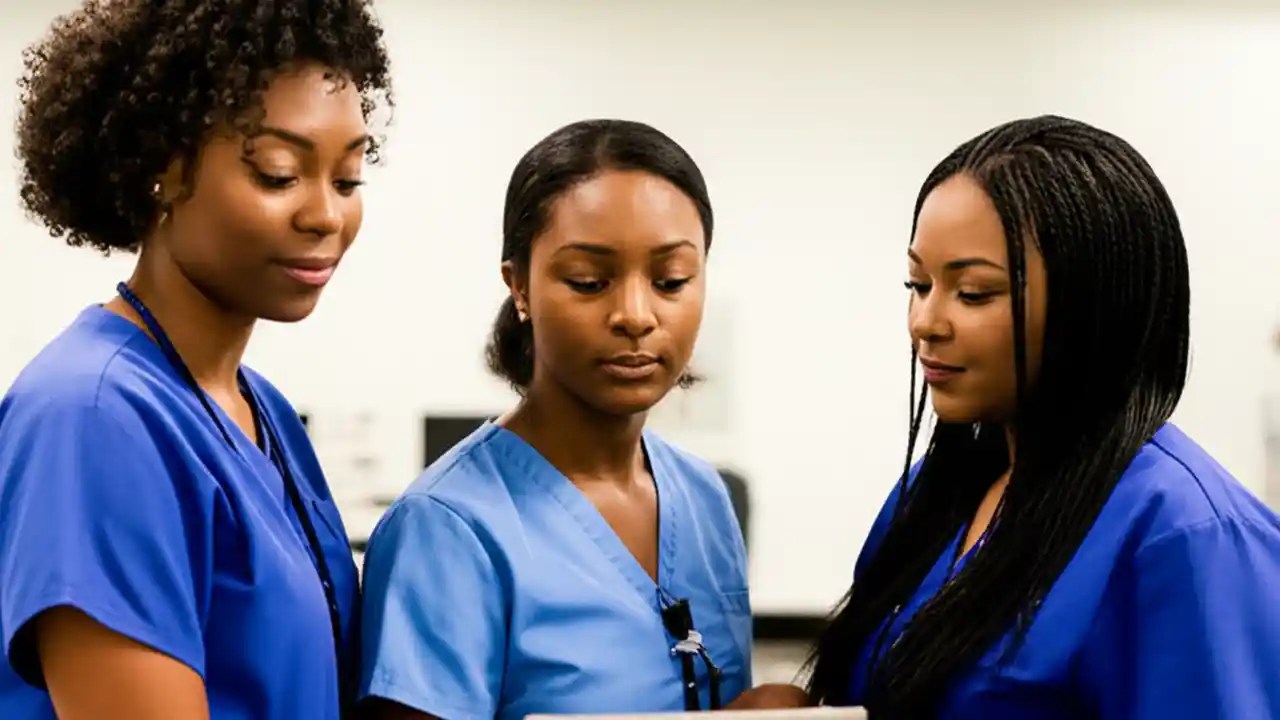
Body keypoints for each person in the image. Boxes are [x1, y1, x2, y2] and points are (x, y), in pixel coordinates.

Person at [792, 116, 1280, 718]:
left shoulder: (1184, 533)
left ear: (1089, 306)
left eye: (973, 293)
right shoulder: (932, 496)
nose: (926, 321)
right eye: (917, 284)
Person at [0, 1, 392, 718]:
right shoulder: (92, 415)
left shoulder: (260, 408)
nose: (326, 216)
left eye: (347, 179)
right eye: (279, 174)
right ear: (162, 169)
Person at [358, 119, 753, 719]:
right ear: (519, 287)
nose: (635, 315)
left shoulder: (704, 500)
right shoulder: (449, 530)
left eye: (671, 280)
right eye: (589, 282)